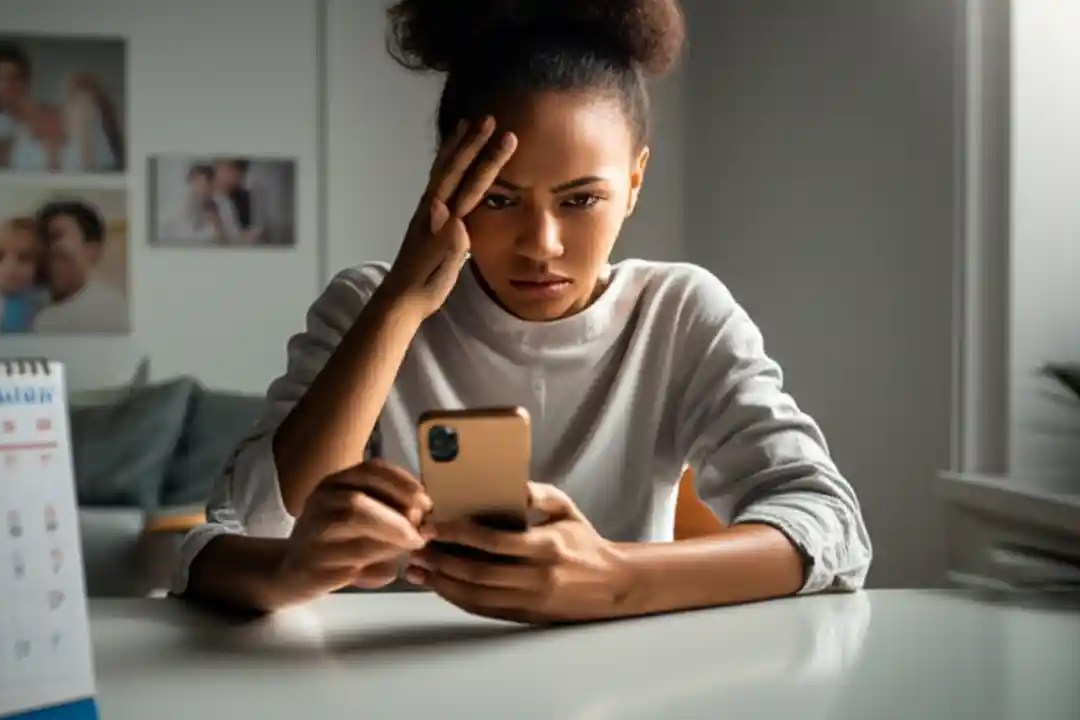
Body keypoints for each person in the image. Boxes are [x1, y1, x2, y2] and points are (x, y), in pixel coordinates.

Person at [178, 0, 871, 624]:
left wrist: (615, 578)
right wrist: (399, 306)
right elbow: (239, 532)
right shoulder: (365, 305)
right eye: (500, 199)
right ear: (446, 181)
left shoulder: (678, 314)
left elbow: (832, 526)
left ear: (634, 181)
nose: (542, 245)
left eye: (581, 200)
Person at [31, 200, 128, 333]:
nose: (47, 249)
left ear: (92, 249)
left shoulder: (111, 311)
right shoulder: (31, 306)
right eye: (43, 239)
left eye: (56, 236)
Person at [158, 164, 228, 244]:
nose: (211, 188)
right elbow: (185, 237)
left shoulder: (216, 206)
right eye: (207, 182)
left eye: (212, 183)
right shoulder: (178, 209)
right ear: (192, 182)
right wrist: (212, 230)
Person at [212, 159, 265, 244]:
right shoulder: (202, 196)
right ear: (217, 168)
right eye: (228, 170)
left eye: (240, 174)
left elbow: (252, 230)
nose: (232, 177)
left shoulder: (245, 198)